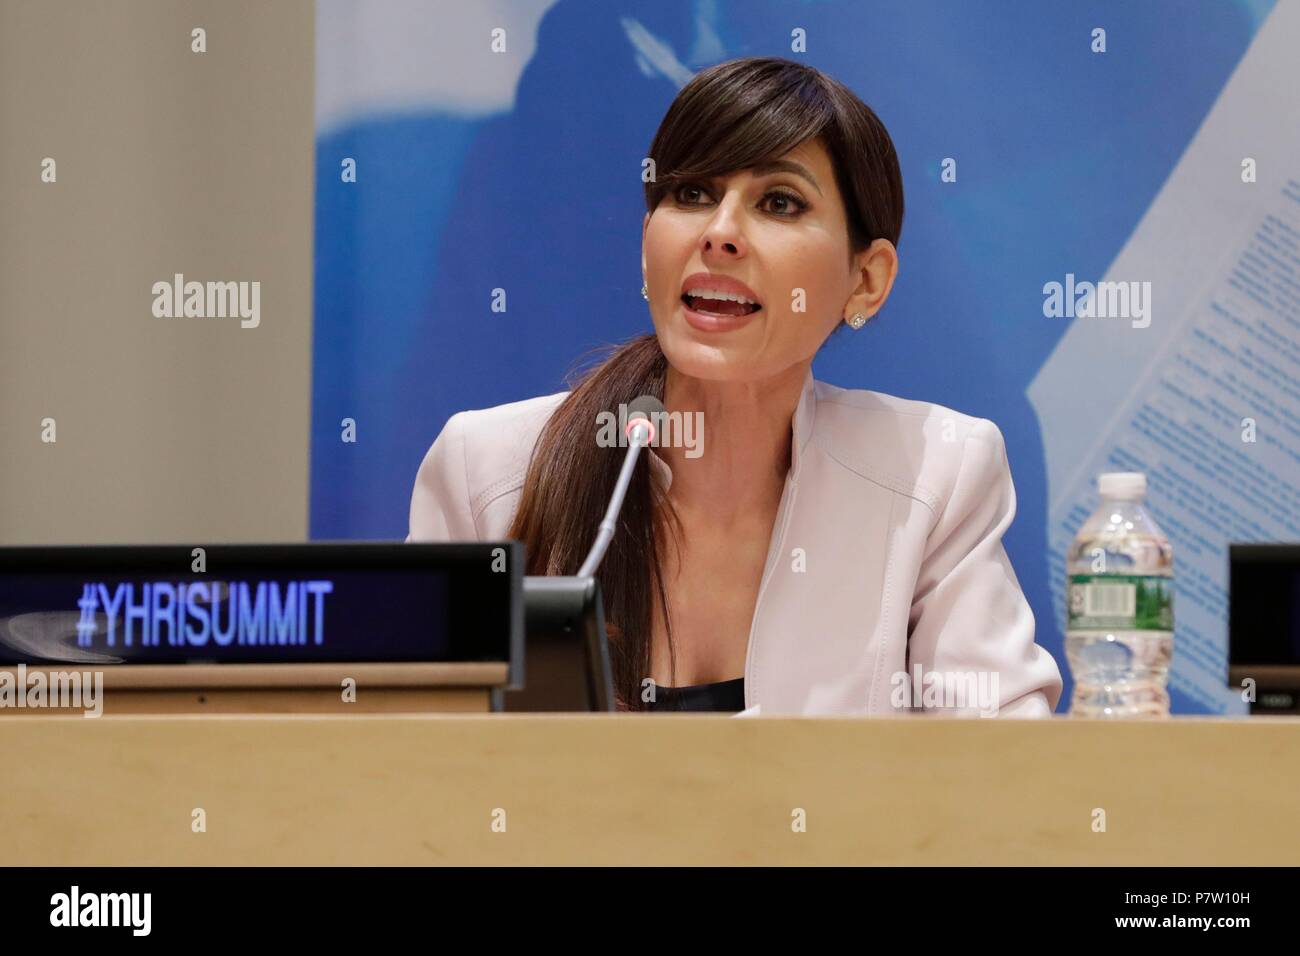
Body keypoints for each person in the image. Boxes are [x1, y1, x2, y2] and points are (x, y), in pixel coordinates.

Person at [408, 57, 1062, 716]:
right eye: (691, 195)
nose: (719, 234)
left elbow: (1000, 774)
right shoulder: (489, 471)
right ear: (646, 247)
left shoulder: (933, 474)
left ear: (867, 279)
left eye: (779, 202)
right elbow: (397, 769)